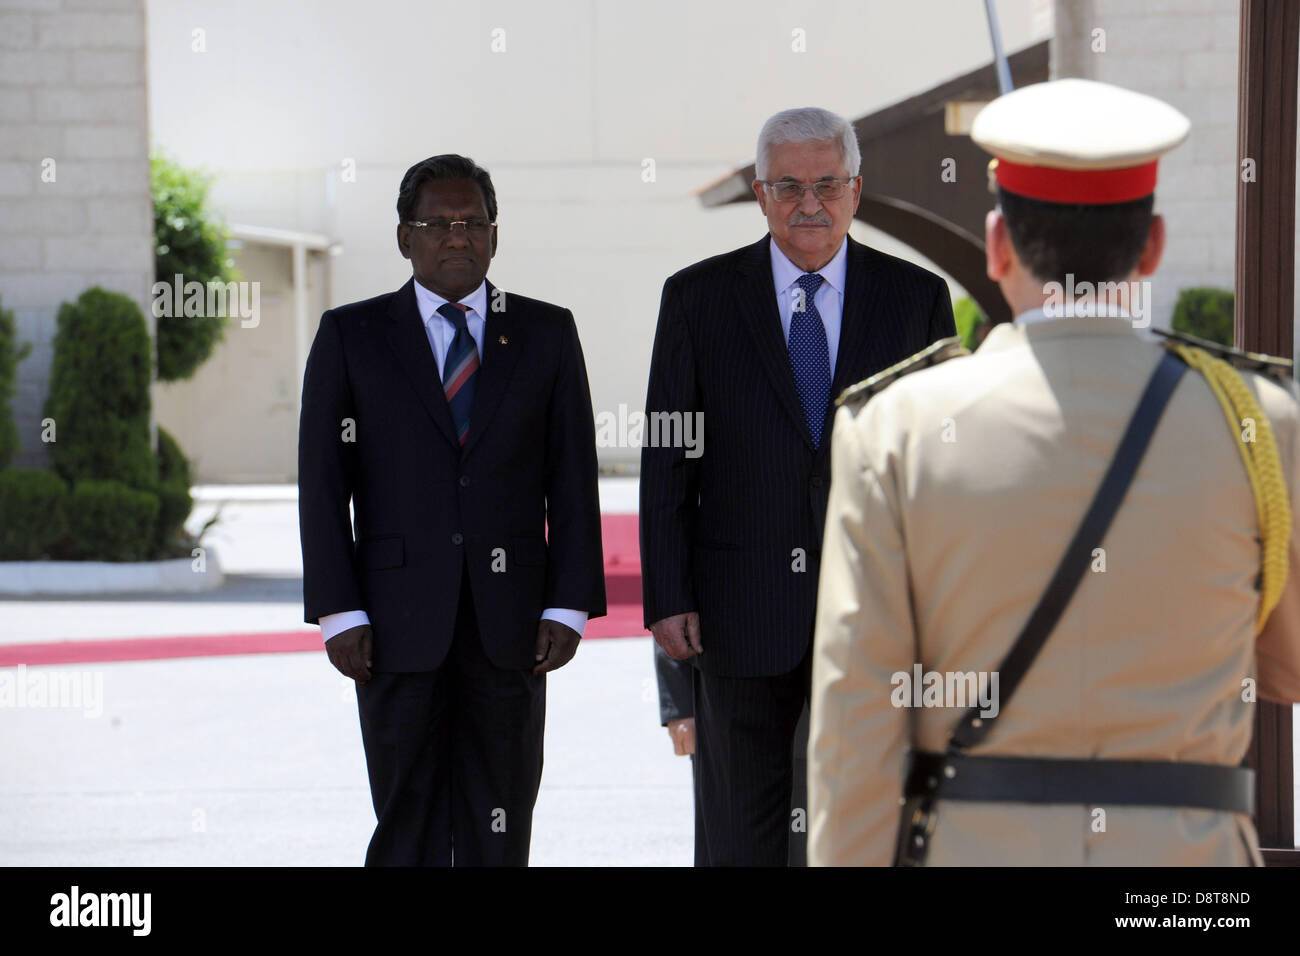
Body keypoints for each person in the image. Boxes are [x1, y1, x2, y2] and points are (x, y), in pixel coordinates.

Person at [809, 78, 1300, 866]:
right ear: (1153, 247)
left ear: (999, 245)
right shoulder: (1260, 423)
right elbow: (1288, 663)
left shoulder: (895, 429)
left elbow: (856, 717)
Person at [640, 107, 956, 866]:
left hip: (875, 622)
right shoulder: (698, 298)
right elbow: (667, 456)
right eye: (788, 186)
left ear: (855, 189)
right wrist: (668, 593)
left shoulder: (917, 298)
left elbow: (942, 470)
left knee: (865, 833)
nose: (808, 204)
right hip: (736, 617)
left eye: (826, 185)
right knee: (739, 836)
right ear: (759, 192)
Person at [298, 154, 606, 866]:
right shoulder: (352, 337)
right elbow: (321, 485)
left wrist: (567, 606)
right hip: (392, 627)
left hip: (514, 627)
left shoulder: (545, 333)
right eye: (437, 223)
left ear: (495, 237)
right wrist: (339, 611)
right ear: (405, 238)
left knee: (499, 820)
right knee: (407, 820)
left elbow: (573, 477)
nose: (456, 237)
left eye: (472, 223)